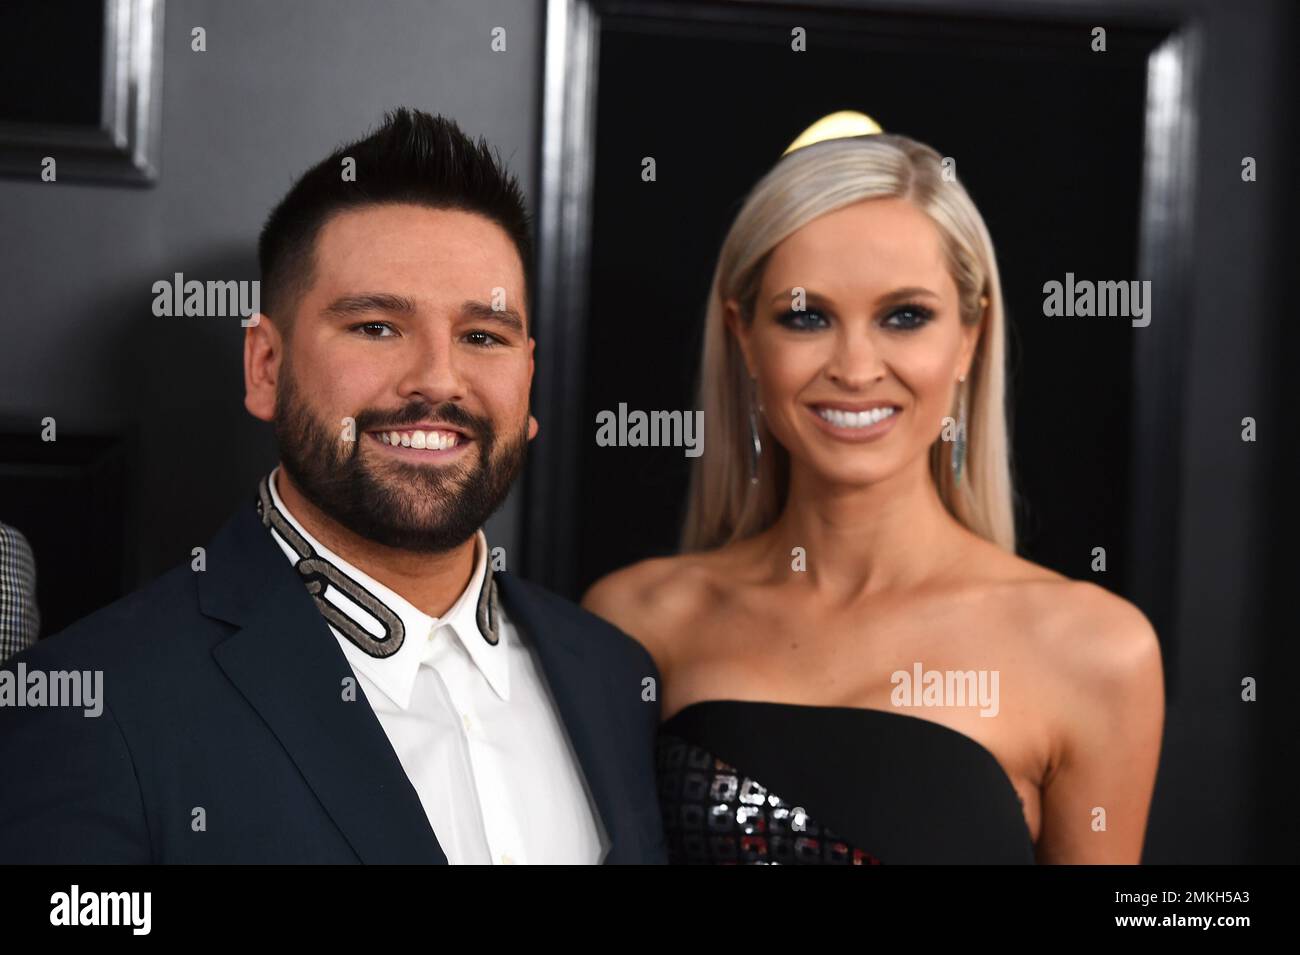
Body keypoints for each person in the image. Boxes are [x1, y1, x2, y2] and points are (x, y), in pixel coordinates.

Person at [0, 108, 666, 864]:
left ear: (528, 382)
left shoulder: (618, 678)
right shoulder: (91, 706)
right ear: (266, 368)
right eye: (377, 325)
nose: (439, 381)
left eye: (483, 336)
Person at [583, 114, 1164, 864]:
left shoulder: (1095, 649)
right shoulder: (636, 620)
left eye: (904, 316)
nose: (856, 368)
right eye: (806, 316)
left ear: (969, 339)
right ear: (743, 337)